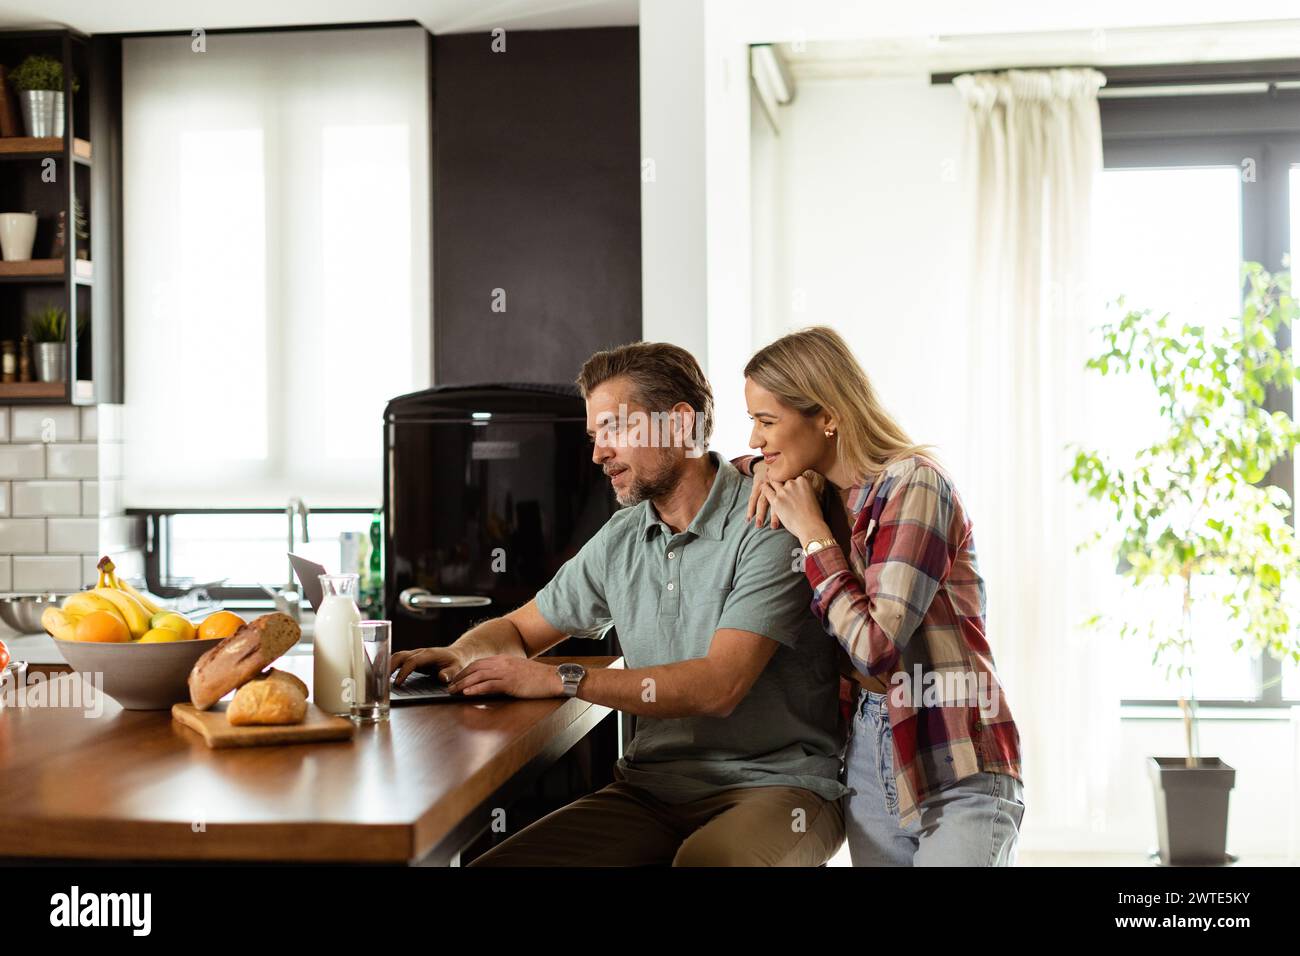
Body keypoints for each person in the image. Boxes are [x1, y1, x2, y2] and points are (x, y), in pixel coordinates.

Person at [391, 341, 848, 866]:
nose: (598, 453)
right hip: (651, 790)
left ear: (679, 425)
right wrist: (461, 654)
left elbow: (720, 687)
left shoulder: (768, 521)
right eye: (594, 436)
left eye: (614, 429)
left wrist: (562, 678)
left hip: (778, 788)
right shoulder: (623, 538)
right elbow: (519, 630)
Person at [737, 326, 1024, 866]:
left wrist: (813, 537)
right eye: (753, 421)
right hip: (867, 750)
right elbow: (723, 471)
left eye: (766, 421)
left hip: (951, 749)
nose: (754, 437)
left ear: (827, 416)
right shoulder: (818, 487)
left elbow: (875, 648)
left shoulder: (914, 484)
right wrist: (759, 468)